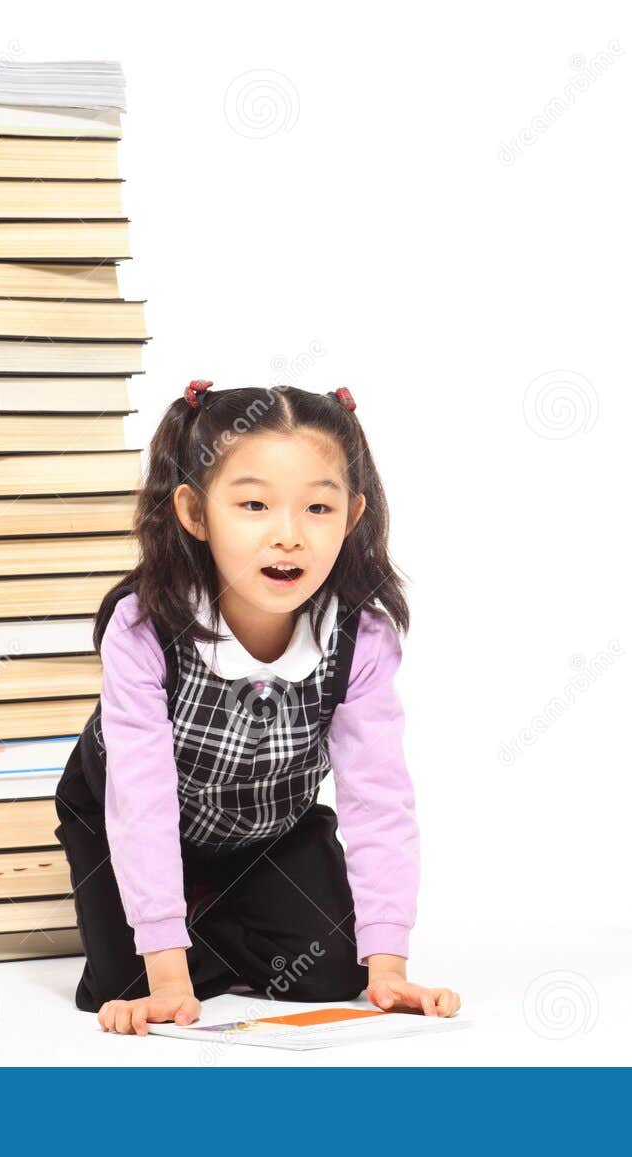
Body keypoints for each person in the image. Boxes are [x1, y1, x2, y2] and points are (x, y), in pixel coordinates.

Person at [55, 381, 460, 1034]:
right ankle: (180, 920)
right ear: (194, 512)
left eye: (318, 509)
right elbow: (141, 796)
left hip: (267, 827)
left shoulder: (361, 636)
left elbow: (378, 795)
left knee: (332, 971)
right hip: (129, 819)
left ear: (353, 515)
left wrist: (387, 966)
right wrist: (168, 975)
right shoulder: (145, 627)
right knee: (124, 983)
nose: (289, 536)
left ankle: (218, 909)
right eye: (253, 504)